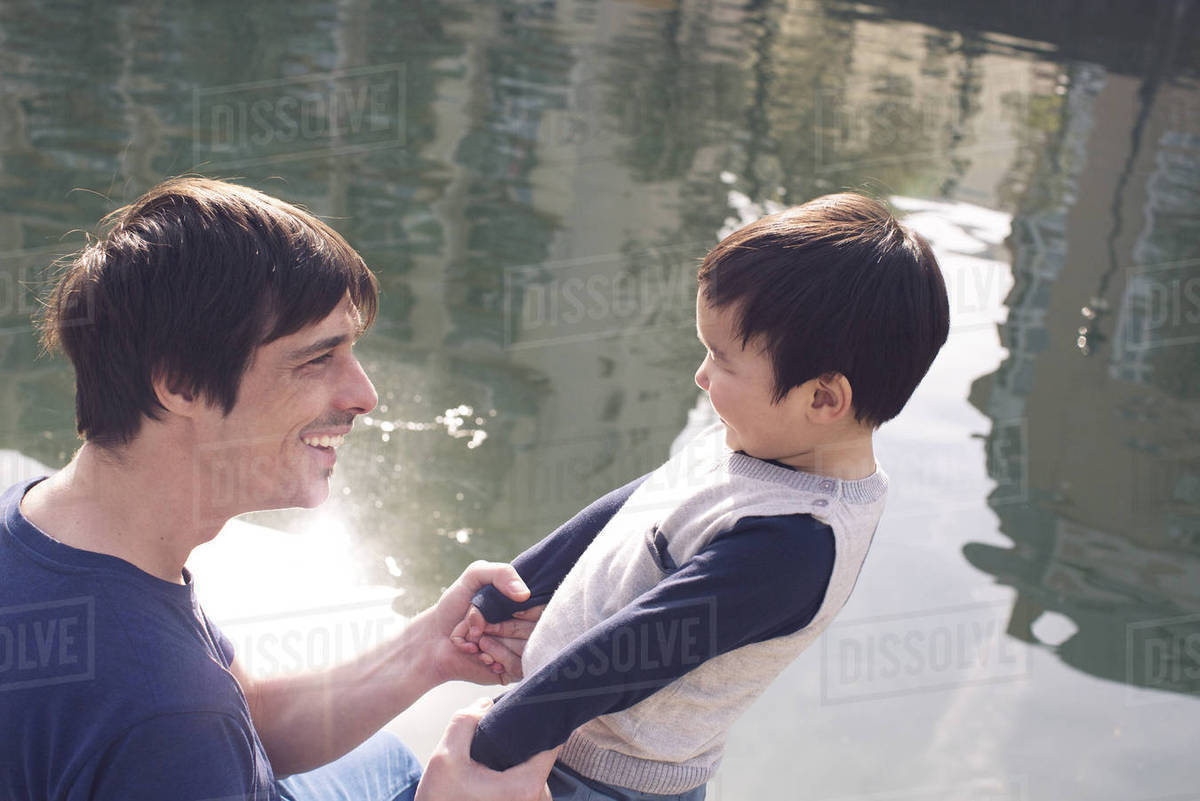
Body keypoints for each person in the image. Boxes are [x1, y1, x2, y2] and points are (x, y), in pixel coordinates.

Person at [0, 177, 556, 801]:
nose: (364, 397)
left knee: (387, 757)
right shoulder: (173, 718)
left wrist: (428, 650)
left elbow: (250, 716)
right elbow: (201, 725)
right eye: (318, 359)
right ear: (177, 383)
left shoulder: (45, 524)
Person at [451, 193, 951, 800]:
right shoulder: (760, 442)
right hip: (549, 723)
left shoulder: (795, 544)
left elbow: (630, 653)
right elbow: (634, 506)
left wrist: (491, 746)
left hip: (595, 778)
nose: (701, 375)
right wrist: (517, 590)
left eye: (720, 358)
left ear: (822, 399)